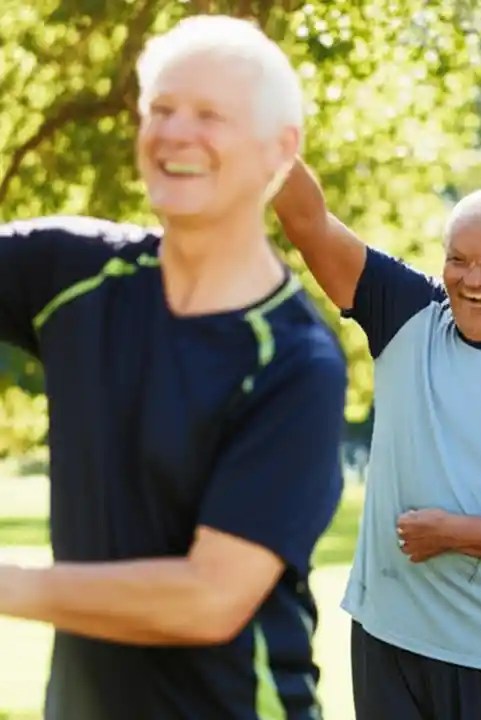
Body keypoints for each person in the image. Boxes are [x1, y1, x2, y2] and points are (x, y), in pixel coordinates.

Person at [0, 15, 347, 720]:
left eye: (209, 114)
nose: (174, 133)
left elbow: (208, 599)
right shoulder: (69, 274)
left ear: (282, 149)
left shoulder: (294, 362)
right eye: (160, 108)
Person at [270, 160, 481, 719]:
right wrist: (262, 122)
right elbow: (308, 221)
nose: (473, 281)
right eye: (458, 260)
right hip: (388, 634)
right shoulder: (405, 313)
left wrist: (454, 534)